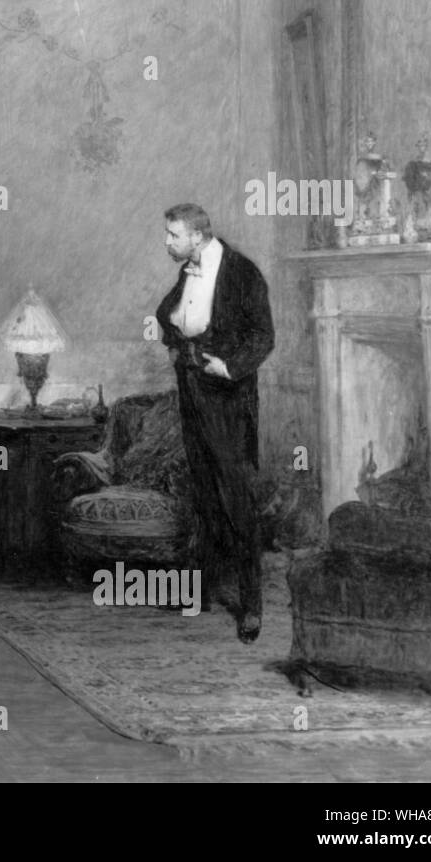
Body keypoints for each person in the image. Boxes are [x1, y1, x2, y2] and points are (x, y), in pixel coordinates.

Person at [156, 204, 274, 642]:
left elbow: (264, 335)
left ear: (198, 236)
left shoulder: (242, 272)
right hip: (192, 391)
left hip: (226, 398)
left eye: (173, 235)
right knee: (203, 491)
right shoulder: (189, 269)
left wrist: (230, 367)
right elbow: (167, 314)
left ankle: (252, 605)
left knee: (237, 498)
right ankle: (200, 590)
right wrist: (175, 345)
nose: (167, 242)